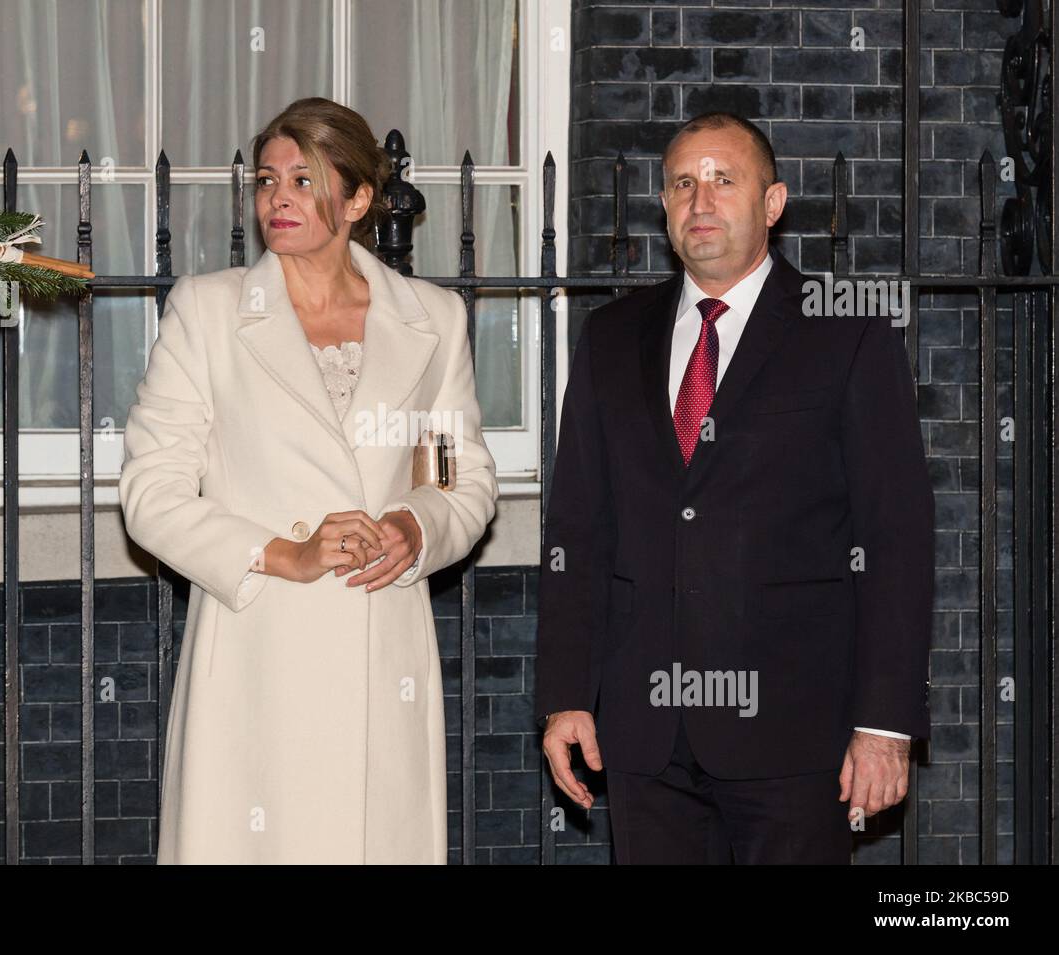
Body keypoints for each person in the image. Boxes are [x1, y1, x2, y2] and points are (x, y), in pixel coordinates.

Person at [534, 112, 934, 864]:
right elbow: (578, 531)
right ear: (663, 202)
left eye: (724, 180)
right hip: (646, 732)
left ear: (773, 203)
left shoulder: (848, 334)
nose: (701, 201)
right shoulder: (612, 337)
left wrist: (885, 722)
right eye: (683, 183)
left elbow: (895, 537)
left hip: (796, 732)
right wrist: (565, 695)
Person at [119, 97, 498, 863]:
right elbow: (150, 494)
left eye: (303, 178)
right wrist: (280, 552)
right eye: (267, 179)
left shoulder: (433, 319)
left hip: (381, 641)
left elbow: (464, 481)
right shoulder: (208, 311)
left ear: (359, 200)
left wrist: (416, 526)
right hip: (259, 645)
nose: (277, 198)